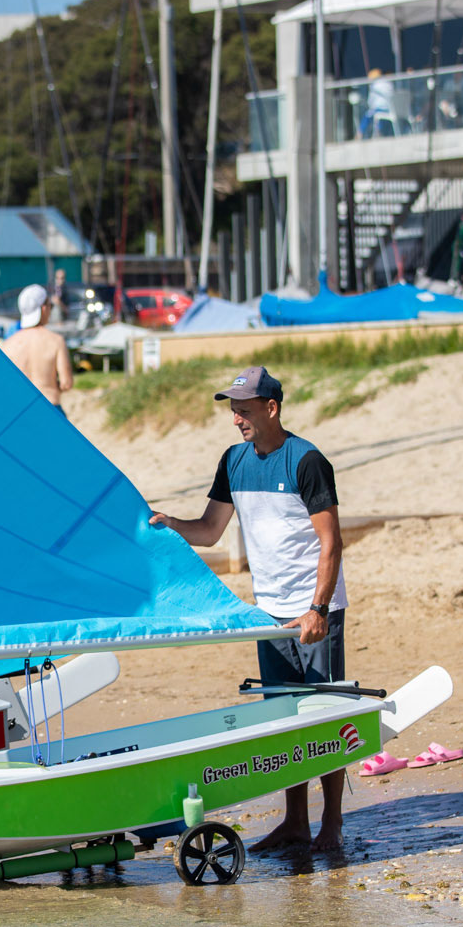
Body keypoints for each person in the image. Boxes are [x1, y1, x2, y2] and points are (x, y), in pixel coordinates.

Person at [148, 365, 350, 852]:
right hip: (268, 616)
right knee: (282, 720)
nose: (236, 420)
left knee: (322, 717)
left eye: (244, 410)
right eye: (233, 411)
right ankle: (296, 823)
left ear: (271, 408)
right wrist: (168, 523)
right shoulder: (234, 461)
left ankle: (333, 826)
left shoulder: (306, 460)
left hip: (313, 613)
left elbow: (331, 542)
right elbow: (210, 530)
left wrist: (318, 609)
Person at [0, 285, 74, 406]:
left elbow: (4, 384)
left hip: (21, 409)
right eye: (51, 305)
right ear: (43, 308)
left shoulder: (8, 344)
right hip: (50, 407)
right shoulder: (56, 341)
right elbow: (66, 383)